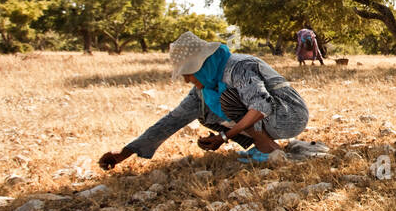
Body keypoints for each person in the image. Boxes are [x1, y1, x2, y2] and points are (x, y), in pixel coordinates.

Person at [99, 31, 310, 169]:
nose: (187, 79)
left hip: (289, 114)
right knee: (204, 110)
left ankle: (271, 151)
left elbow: (260, 106)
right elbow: (172, 120)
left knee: (228, 99)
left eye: (188, 73)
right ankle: (261, 145)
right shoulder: (206, 87)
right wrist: (125, 153)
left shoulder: (237, 66)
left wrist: (224, 137)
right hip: (269, 116)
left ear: (202, 65)